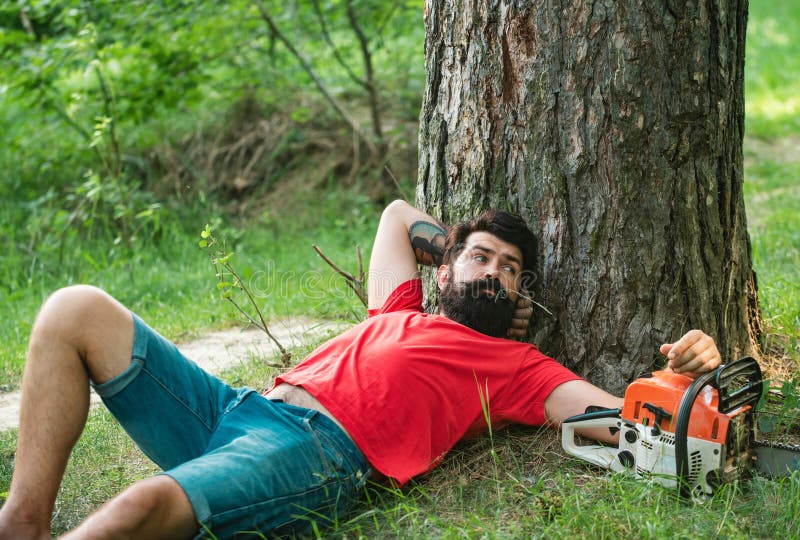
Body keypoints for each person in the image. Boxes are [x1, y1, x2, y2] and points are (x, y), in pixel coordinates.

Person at [0, 200, 722, 539]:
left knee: (141, 508)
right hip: (235, 410)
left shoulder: (515, 366)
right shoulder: (397, 308)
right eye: (480, 258)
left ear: (520, 294)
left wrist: (691, 380)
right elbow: (397, 216)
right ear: (442, 271)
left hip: (316, 451)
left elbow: (627, 421)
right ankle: (23, 523)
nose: (494, 273)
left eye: (510, 270)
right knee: (74, 308)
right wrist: (458, 254)